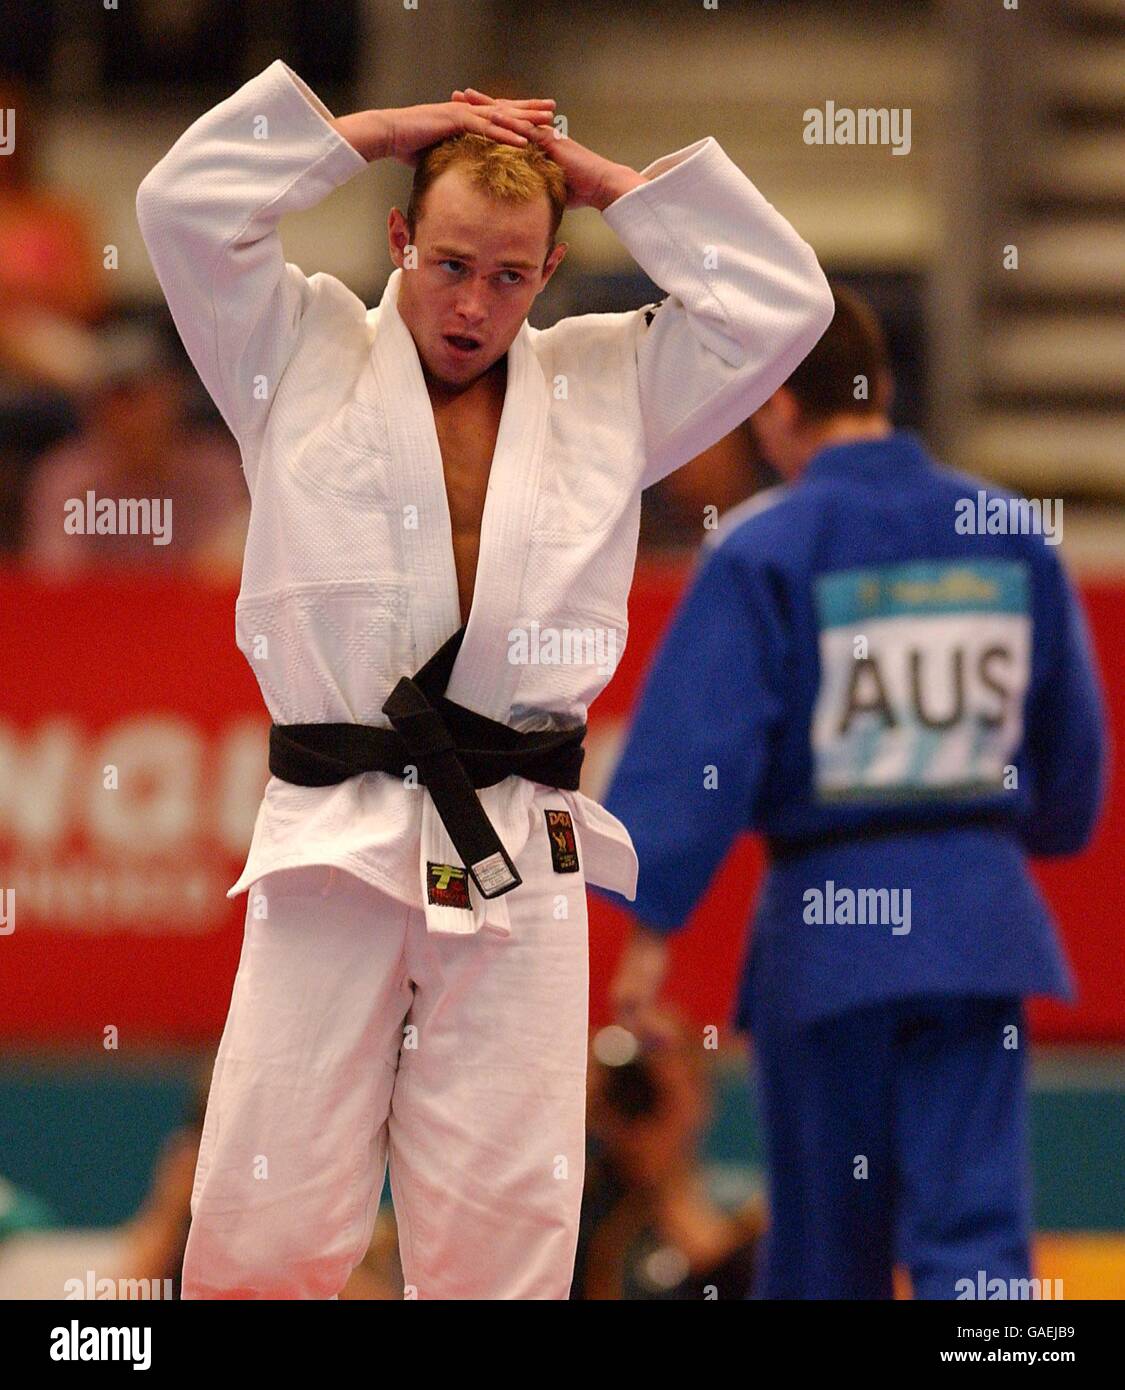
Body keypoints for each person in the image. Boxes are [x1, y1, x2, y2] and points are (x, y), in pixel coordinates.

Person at [134, 60, 833, 1299]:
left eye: (511, 274)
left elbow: (782, 303)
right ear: (401, 236)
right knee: (270, 1194)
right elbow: (186, 206)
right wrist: (398, 128)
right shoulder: (288, 345)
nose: (473, 302)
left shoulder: (608, 382)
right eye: (450, 263)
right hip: (334, 826)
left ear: (551, 272)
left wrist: (610, 184)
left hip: (516, 836)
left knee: (506, 1214)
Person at [603, 285, 1107, 1299]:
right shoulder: (1006, 530)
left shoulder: (763, 546)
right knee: (979, 1243)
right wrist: (1003, 840)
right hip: (980, 925)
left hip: (830, 945)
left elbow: (701, 755)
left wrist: (646, 930)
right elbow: (1073, 773)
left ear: (779, 406)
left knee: (829, 1253)